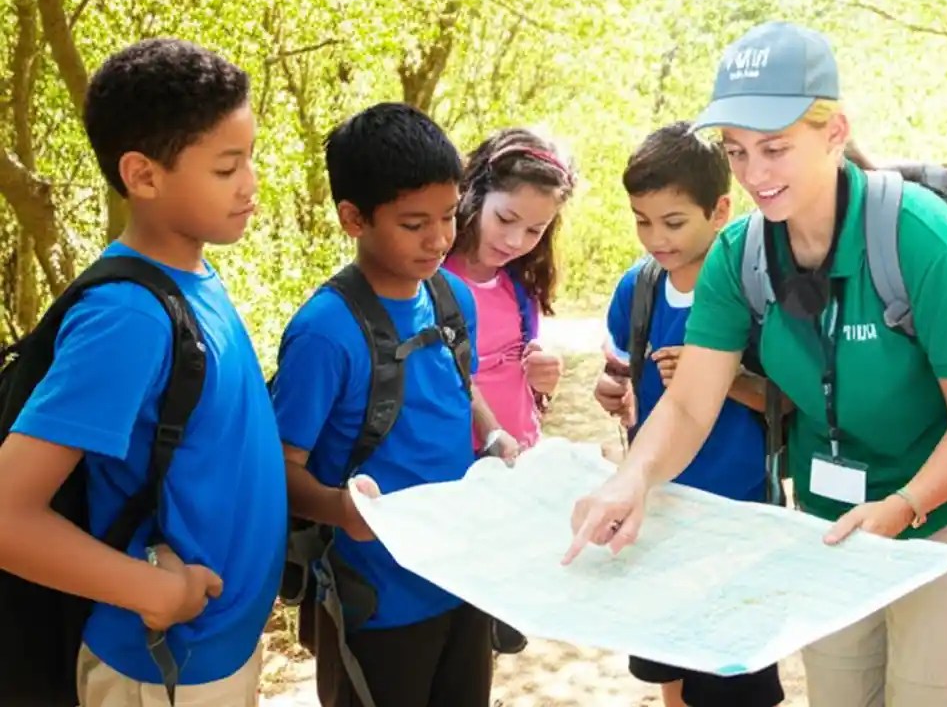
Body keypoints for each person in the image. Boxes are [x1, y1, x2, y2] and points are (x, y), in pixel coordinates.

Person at [564, 21, 947, 707]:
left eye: (775, 148)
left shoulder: (925, 241)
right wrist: (631, 481)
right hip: (830, 519)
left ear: (835, 133)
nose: (754, 175)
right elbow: (691, 403)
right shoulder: (738, 255)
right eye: (737, 151)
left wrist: (901, 508)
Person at [0, 38, 285, 705]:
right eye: (225, 167)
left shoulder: (192, 278)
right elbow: (8, 516)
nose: (250, 184)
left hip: (214, 651)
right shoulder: (128, 317)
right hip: (160, 666)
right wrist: (157, 590)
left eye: (250, 158)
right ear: (144, 175)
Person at [270, 102, 513, 707]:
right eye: (413, 224)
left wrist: (493, 434)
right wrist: (342, 510)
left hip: (463, 580)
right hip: (376, 603)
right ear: (354, 217)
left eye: (449, 216)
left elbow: (461, 384)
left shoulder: (451, 296)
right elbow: (278, 466)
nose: (438, 240)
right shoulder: (325, 333)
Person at [592, 121, 782, 707]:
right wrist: (611, 388)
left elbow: (789, 399)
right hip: (659, 513)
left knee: (733, 680)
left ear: (720, 210)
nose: (656, 238)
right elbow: (626, 373)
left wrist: (722, 380)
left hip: (738, 518)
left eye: (673, 222)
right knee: (669, 673)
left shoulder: (757, 289)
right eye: (642, 220)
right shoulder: (638, 288)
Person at [441, 127, 572, 655]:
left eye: (536, 230)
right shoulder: (434, 275)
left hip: (515, 474)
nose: (516, 241)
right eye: (506, 220)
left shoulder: (521, 283)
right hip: (459, 471)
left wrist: (544, 381)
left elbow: (523, 373)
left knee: (493, 633)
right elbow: (449, 373)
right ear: (474, 194)